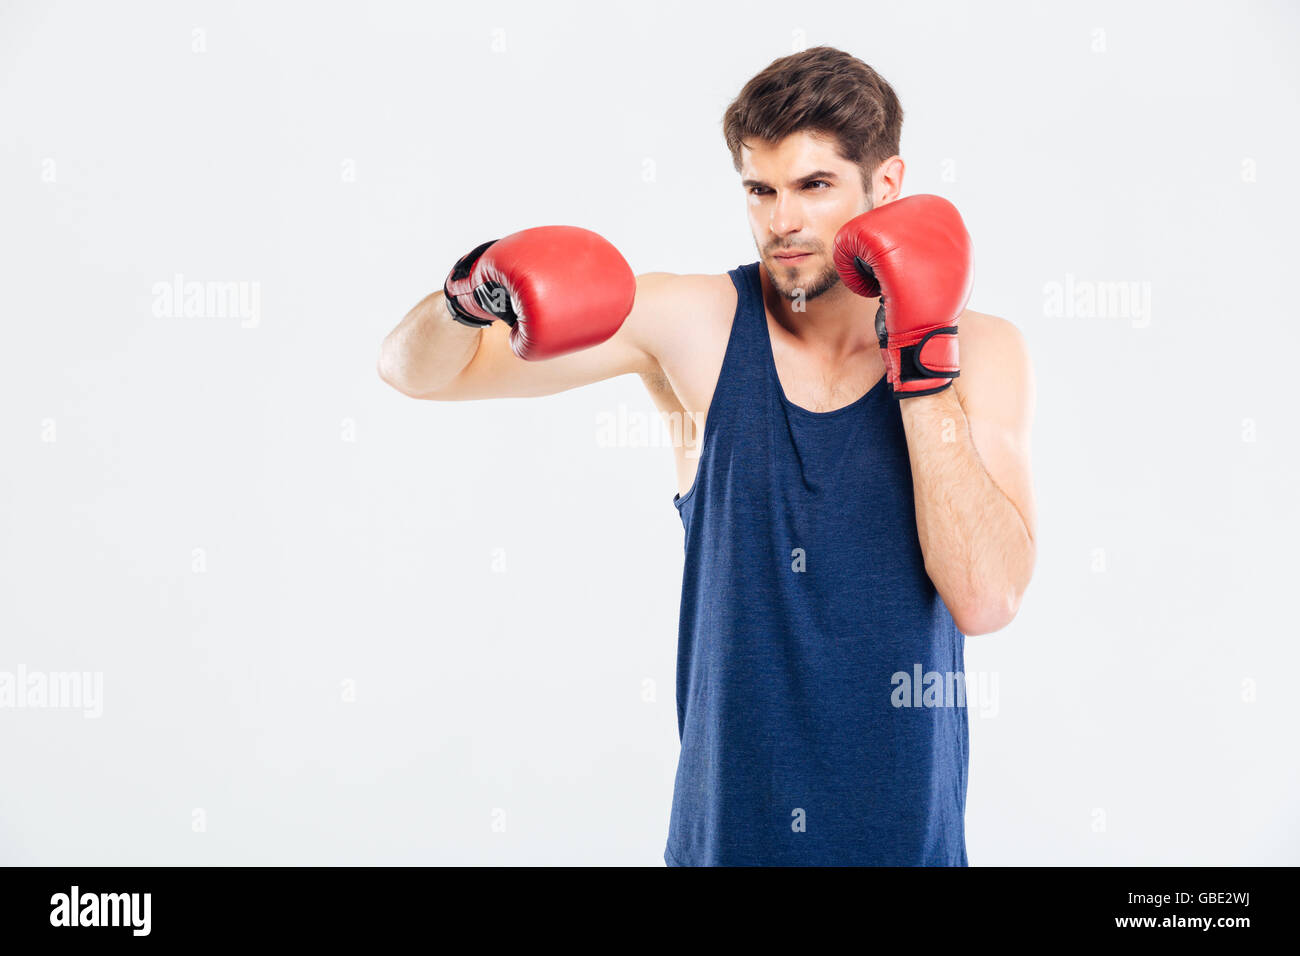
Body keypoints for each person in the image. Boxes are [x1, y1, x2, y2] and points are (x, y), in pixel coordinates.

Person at [378, 45, 1037, 866]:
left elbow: (989, 598)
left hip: (908, 845)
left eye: (814, 187)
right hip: (727, 843)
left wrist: (922, 364)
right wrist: (465, 294)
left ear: (887, 187)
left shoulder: (981, 349)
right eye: (759, 190)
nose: (782, 221)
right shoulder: (693, 325)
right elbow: (416, 375)